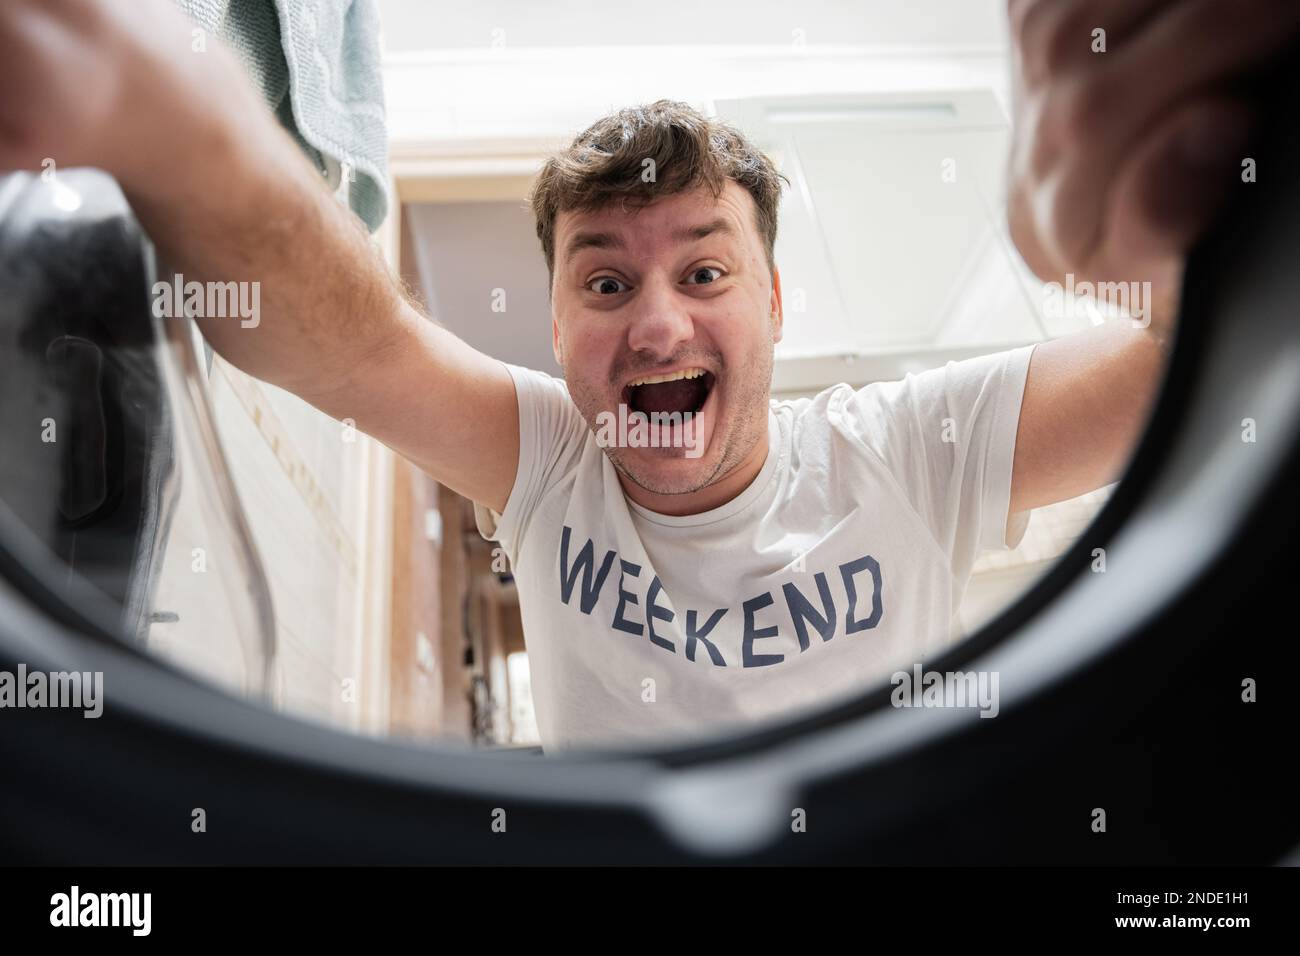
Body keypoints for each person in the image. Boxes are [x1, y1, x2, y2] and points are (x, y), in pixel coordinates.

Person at [2, 0, 1296, 751]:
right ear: (557, 329)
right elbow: (346, 344)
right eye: (606, 283)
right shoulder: (548, 456)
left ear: (777, 302)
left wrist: (1194, 212)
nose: (659, 326)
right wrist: (168, 110)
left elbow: (1206, 382)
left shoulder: (911, 447)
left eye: (707, 273)